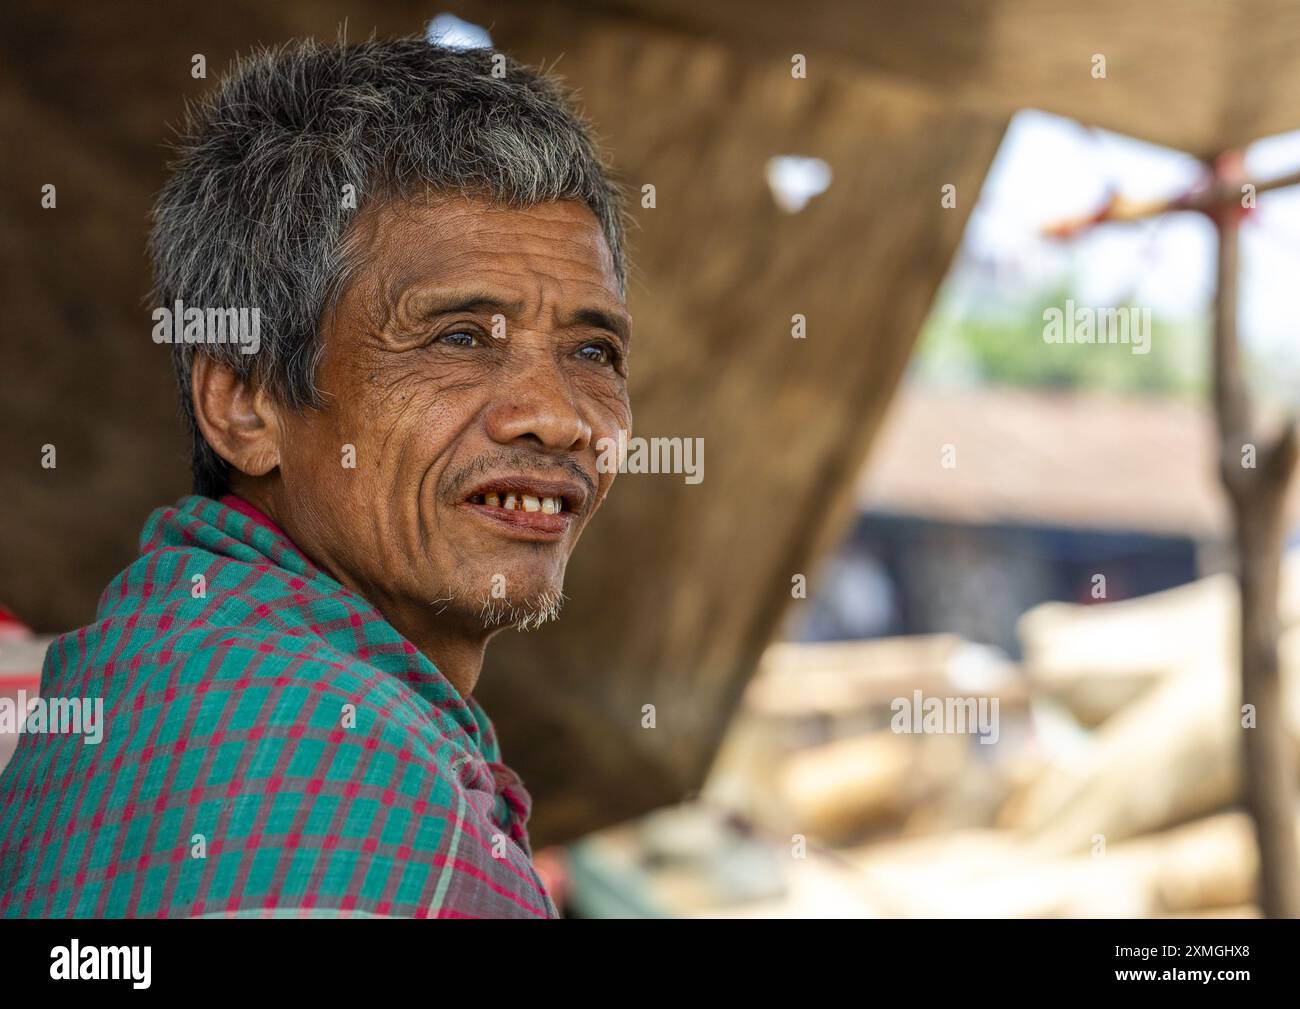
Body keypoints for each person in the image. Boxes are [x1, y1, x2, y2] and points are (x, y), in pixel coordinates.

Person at [0, 33, 632, 919]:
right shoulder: (394, 823)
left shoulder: (98, 686)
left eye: (594, 350)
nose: (561, 416)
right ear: (246, 402)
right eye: (459, 337)